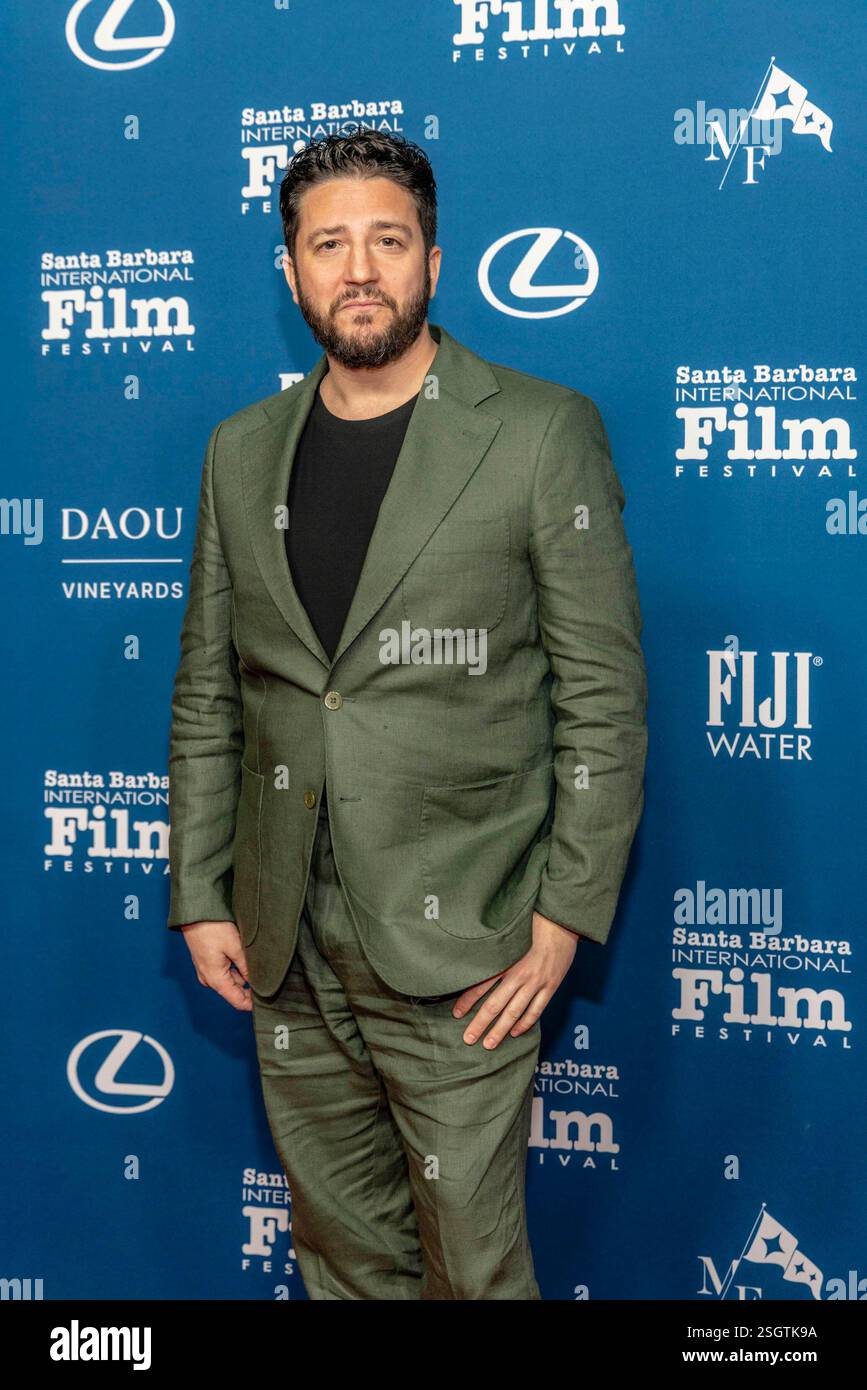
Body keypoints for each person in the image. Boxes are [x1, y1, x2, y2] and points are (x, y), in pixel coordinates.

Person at [167, 130, 648, 1300]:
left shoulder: (539, 430)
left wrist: (563, 917)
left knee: (474, 1269)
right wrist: (199, 889)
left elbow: (604, 698)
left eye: (388, 239)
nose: (361, 268)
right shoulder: (240, 452)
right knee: (341, 1256)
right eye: (328, 244)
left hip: (467, 938)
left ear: (435, 258)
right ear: (291, 273)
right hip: (281, 933)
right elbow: (210, 690)